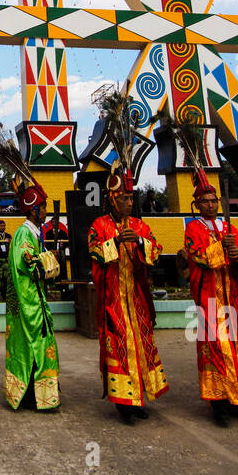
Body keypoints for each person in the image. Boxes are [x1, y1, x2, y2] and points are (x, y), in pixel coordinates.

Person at [88, 169, 166, 424]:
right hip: (114, 299)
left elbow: (156, 251)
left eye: (132, 198)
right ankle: (124, 403)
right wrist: (116, 241)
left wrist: (141, 243)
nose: (130, 203)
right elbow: (95, 252)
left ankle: (138, 398)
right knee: (120, 348)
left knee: (141, 347)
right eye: (124, 199)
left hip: (137, 298)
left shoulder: (140, 226)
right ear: (112, 199)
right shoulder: (99, 226)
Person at [183, 169, 238, 426]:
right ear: (197, 205)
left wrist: (237, 253)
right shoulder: (193, 228)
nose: (211, 205)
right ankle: (218, 404)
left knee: (237, 348)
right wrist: (221, 247)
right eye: (205, 201)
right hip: (209, 299)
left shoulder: (229, 227)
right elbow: (199, 257)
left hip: (232, 298)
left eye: (214, 200)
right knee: (214, 348)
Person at [4, 180, 61, 411]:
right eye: (44, 207)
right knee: (34, 347)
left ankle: (40, 394)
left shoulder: (33, 234)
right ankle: (34, 397)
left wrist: (48, 255)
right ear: (33, 210)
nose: (47, 212)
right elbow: (31, 266)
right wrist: (52, 257)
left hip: (34, 300)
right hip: (28, 302)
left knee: (36, 347)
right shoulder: (23, 235)